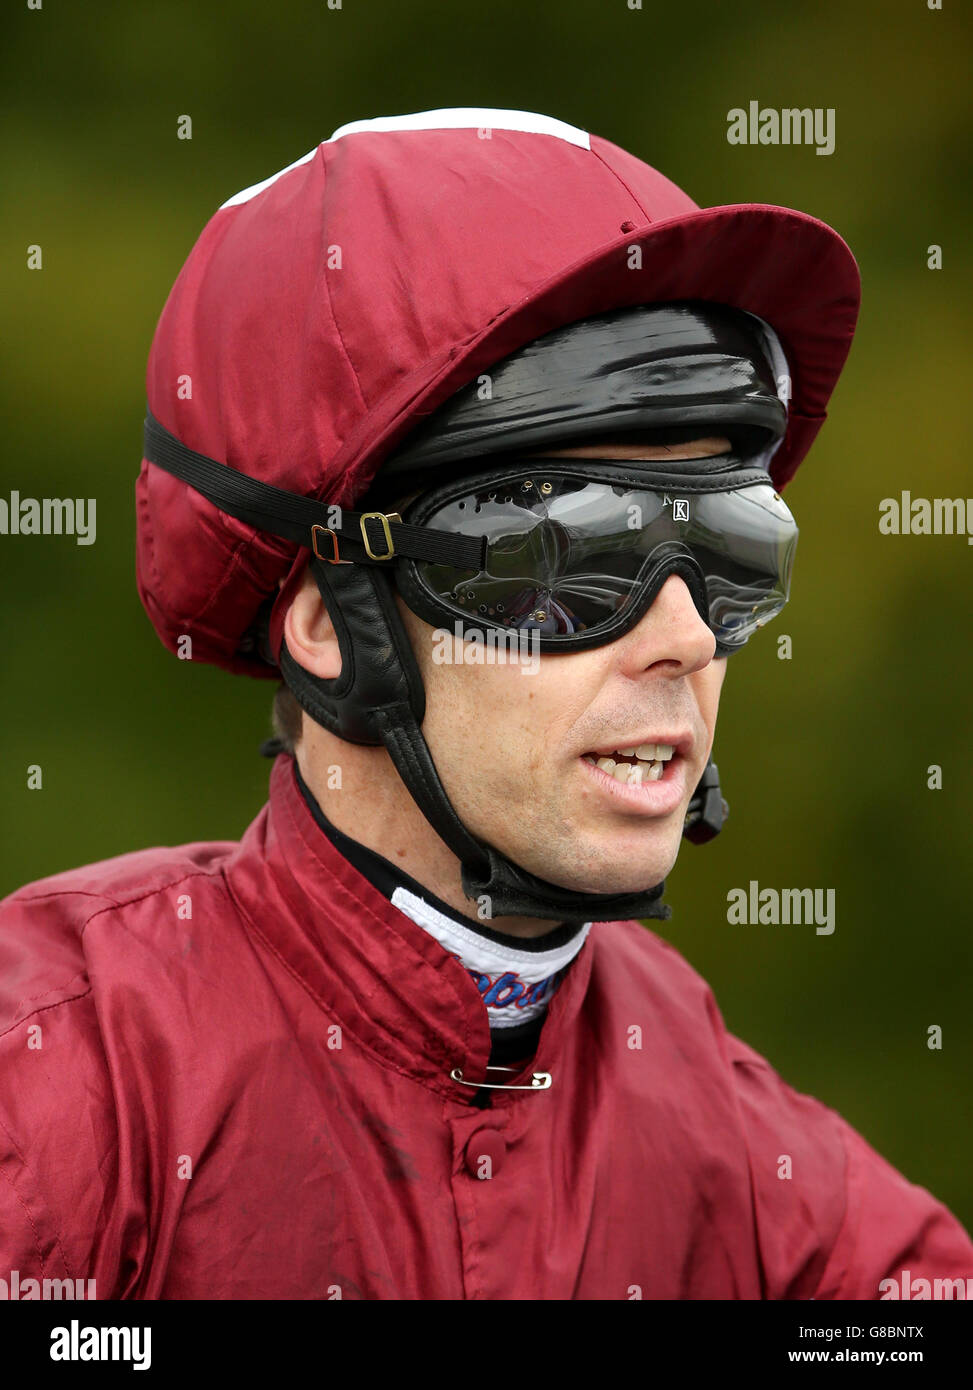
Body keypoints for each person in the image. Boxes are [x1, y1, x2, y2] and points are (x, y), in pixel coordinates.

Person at [1, 107, 970, 1301]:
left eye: (729, 548)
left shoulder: (723, 1114)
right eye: (565, 558)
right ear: (330, 623)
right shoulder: (55, 1078)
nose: (684, 637)